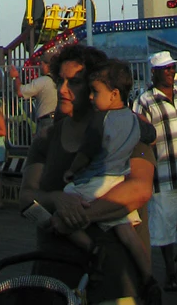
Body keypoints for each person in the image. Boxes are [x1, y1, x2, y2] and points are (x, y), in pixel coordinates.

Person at [19, 43, 156, 305]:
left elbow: (139, 190)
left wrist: (78, 215)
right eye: (60, 80)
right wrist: (57, 199)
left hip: (114, 279)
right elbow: (26, 198)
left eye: (75, 83)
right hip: (54, 272)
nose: (62, 90)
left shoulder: (124, 133)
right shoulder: (47, 138)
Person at [133, 52, 177, 289]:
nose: (170, 72)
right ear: (154, 72)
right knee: (164, 225)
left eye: (172, 68)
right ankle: (171, 271)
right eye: (165, 69)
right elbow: (141, 139)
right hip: (163, 174)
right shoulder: (144, 102)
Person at [62, 61, 142, 230]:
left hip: (98, 179)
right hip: (121, 181)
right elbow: (152, 135)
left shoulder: (100, 120)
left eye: (95, 92)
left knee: (67, 199)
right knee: (125, 230)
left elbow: (85, 153)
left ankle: (88, 246)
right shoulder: (134, 118)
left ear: (113, 94)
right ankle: (142, 257)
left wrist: (71, 171)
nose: (91, 97)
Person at [11, 56, 58, 136]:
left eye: (41, 64)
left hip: (46, 121)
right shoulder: (59, 80)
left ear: (48, 65)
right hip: (59, 119)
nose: (40, 67)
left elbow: (20, 91)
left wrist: (16, 77)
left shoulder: (43, 81)